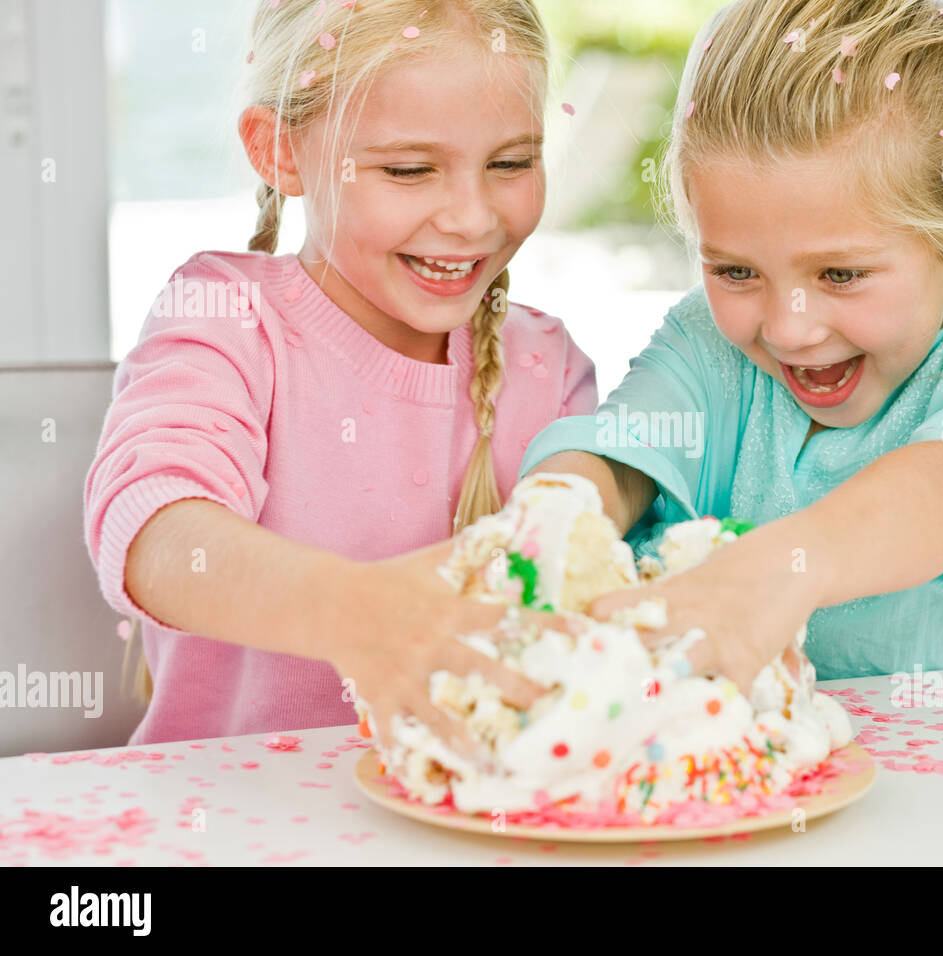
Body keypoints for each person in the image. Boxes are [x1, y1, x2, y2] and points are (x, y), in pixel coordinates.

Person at [522, 0, 943, 690]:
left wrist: (772, 574)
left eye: (841, 275)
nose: (787, 329)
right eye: (735, 271)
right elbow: (618, 451)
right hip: (754, 792)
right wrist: (550, 520)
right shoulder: (710, 347)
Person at [83, 0, 592, 755]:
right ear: (280, 150)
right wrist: (357, 612)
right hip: (228, 820)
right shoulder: (225, 317)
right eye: (410, 169)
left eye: (511, 163)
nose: (470, 216)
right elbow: (155, 528)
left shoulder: (546, 368)